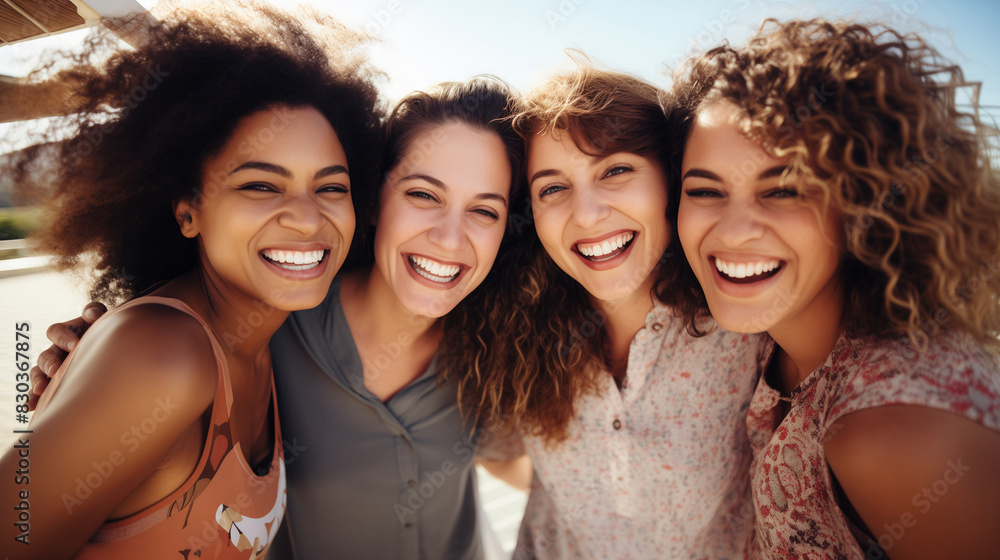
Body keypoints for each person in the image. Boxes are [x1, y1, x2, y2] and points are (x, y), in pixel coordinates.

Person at [31, 74, 528, 557]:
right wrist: (104, 356)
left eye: (485, 211)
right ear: (375, 199)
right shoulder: (270, 323)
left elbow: (513, 456)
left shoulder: (500, 336)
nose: (448, 237)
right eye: (423, 194)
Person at [0, 3, 383, 558]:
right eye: (260, 185)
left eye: (331, 187)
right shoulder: (166, 356)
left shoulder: (265, 341)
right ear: (188, 213)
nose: (307, 217)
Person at [673, 18, 1000, 559]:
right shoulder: (772, 344)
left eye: (783, 191)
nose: (732, 231)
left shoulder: (896, 436)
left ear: (864, 205)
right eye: (705, 190)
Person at [440, 66, 769, 559]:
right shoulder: (515, 330)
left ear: (670, 177)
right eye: (552, 188)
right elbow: (501, 455)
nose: (588, 213)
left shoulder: (744, 321)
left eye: (615, 170)